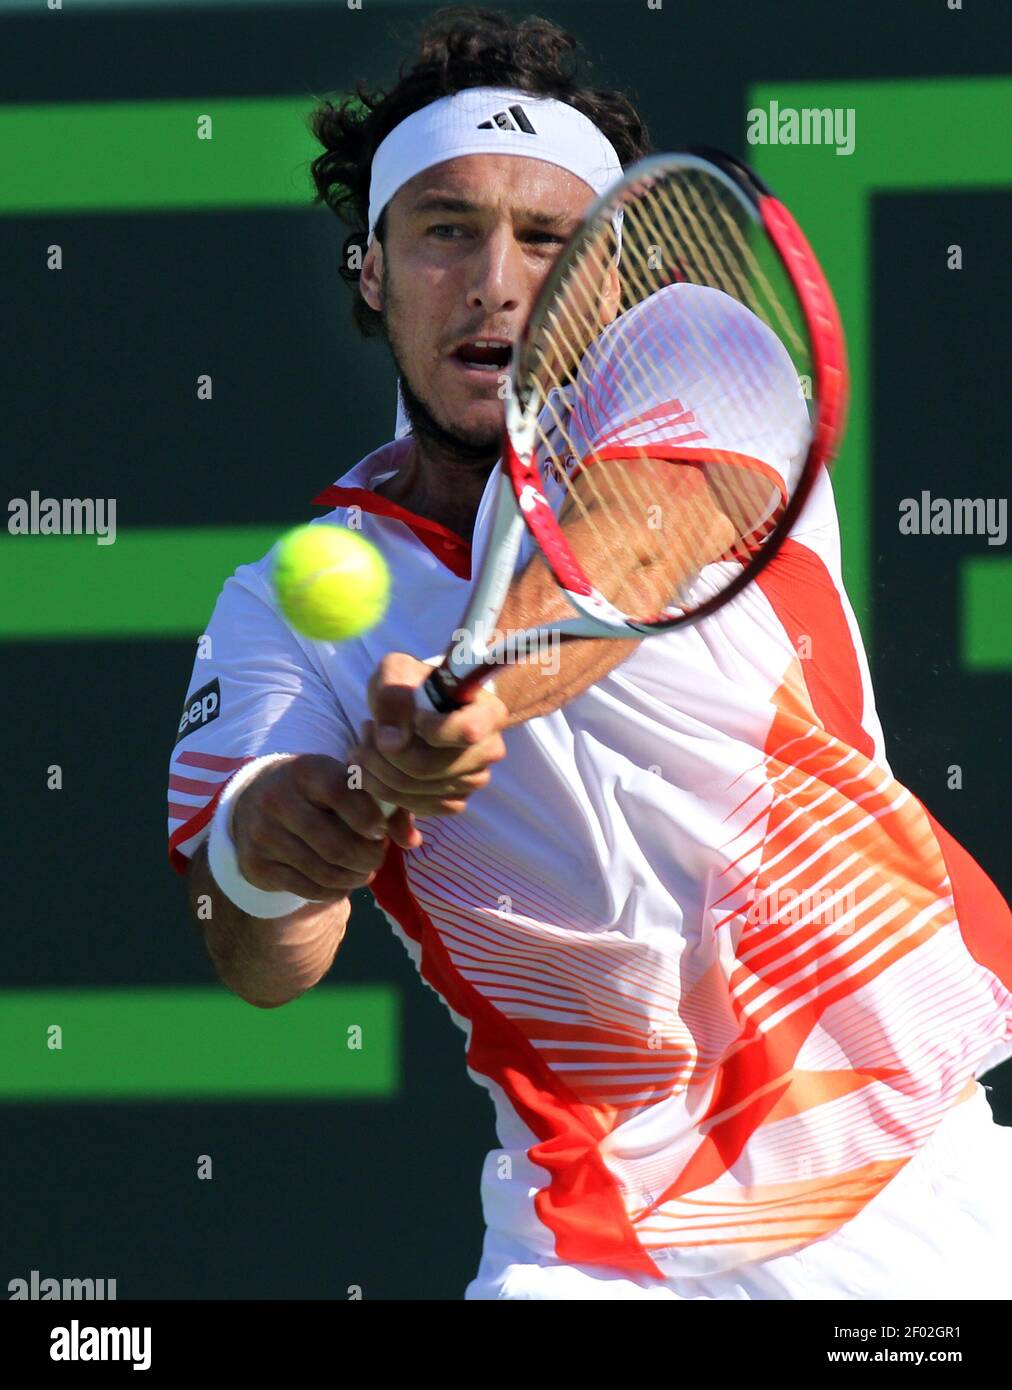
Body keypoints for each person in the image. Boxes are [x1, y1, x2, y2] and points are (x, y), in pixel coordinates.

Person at [166, 8, 1012, 1299]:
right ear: (372, 269)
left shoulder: (703, 354)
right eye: (446, 228)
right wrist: (274, 848)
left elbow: (626, 548)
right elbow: (257, 952)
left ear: (606, 280)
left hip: (910, 1188)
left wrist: (467, 699)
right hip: (592, 1236)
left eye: (547, 236)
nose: (496, 277)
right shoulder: (279, 610)